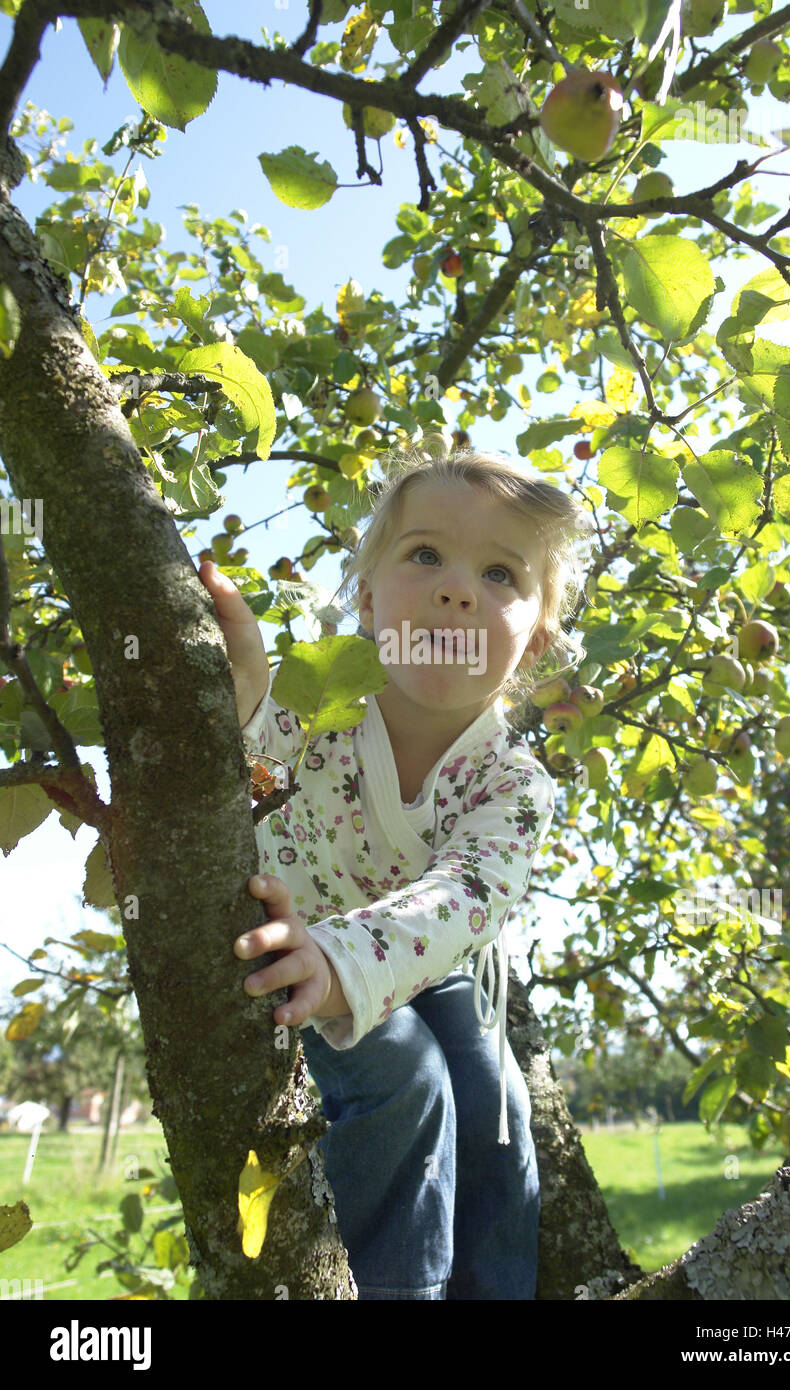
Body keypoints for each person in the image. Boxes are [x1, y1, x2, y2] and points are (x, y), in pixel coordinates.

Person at [198, 446, 592, 1299]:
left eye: (499, 573)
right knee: (404, 1083)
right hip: (303, 957)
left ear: (534, 642)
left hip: (425, 961)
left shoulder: (513, 786)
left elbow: (461, 900)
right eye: (426, 555)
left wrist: (351, 961)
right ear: (367, 597)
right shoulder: (320, 698)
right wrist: (242, 692)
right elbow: (251, 762)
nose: (458, 588)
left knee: (496, 1115)